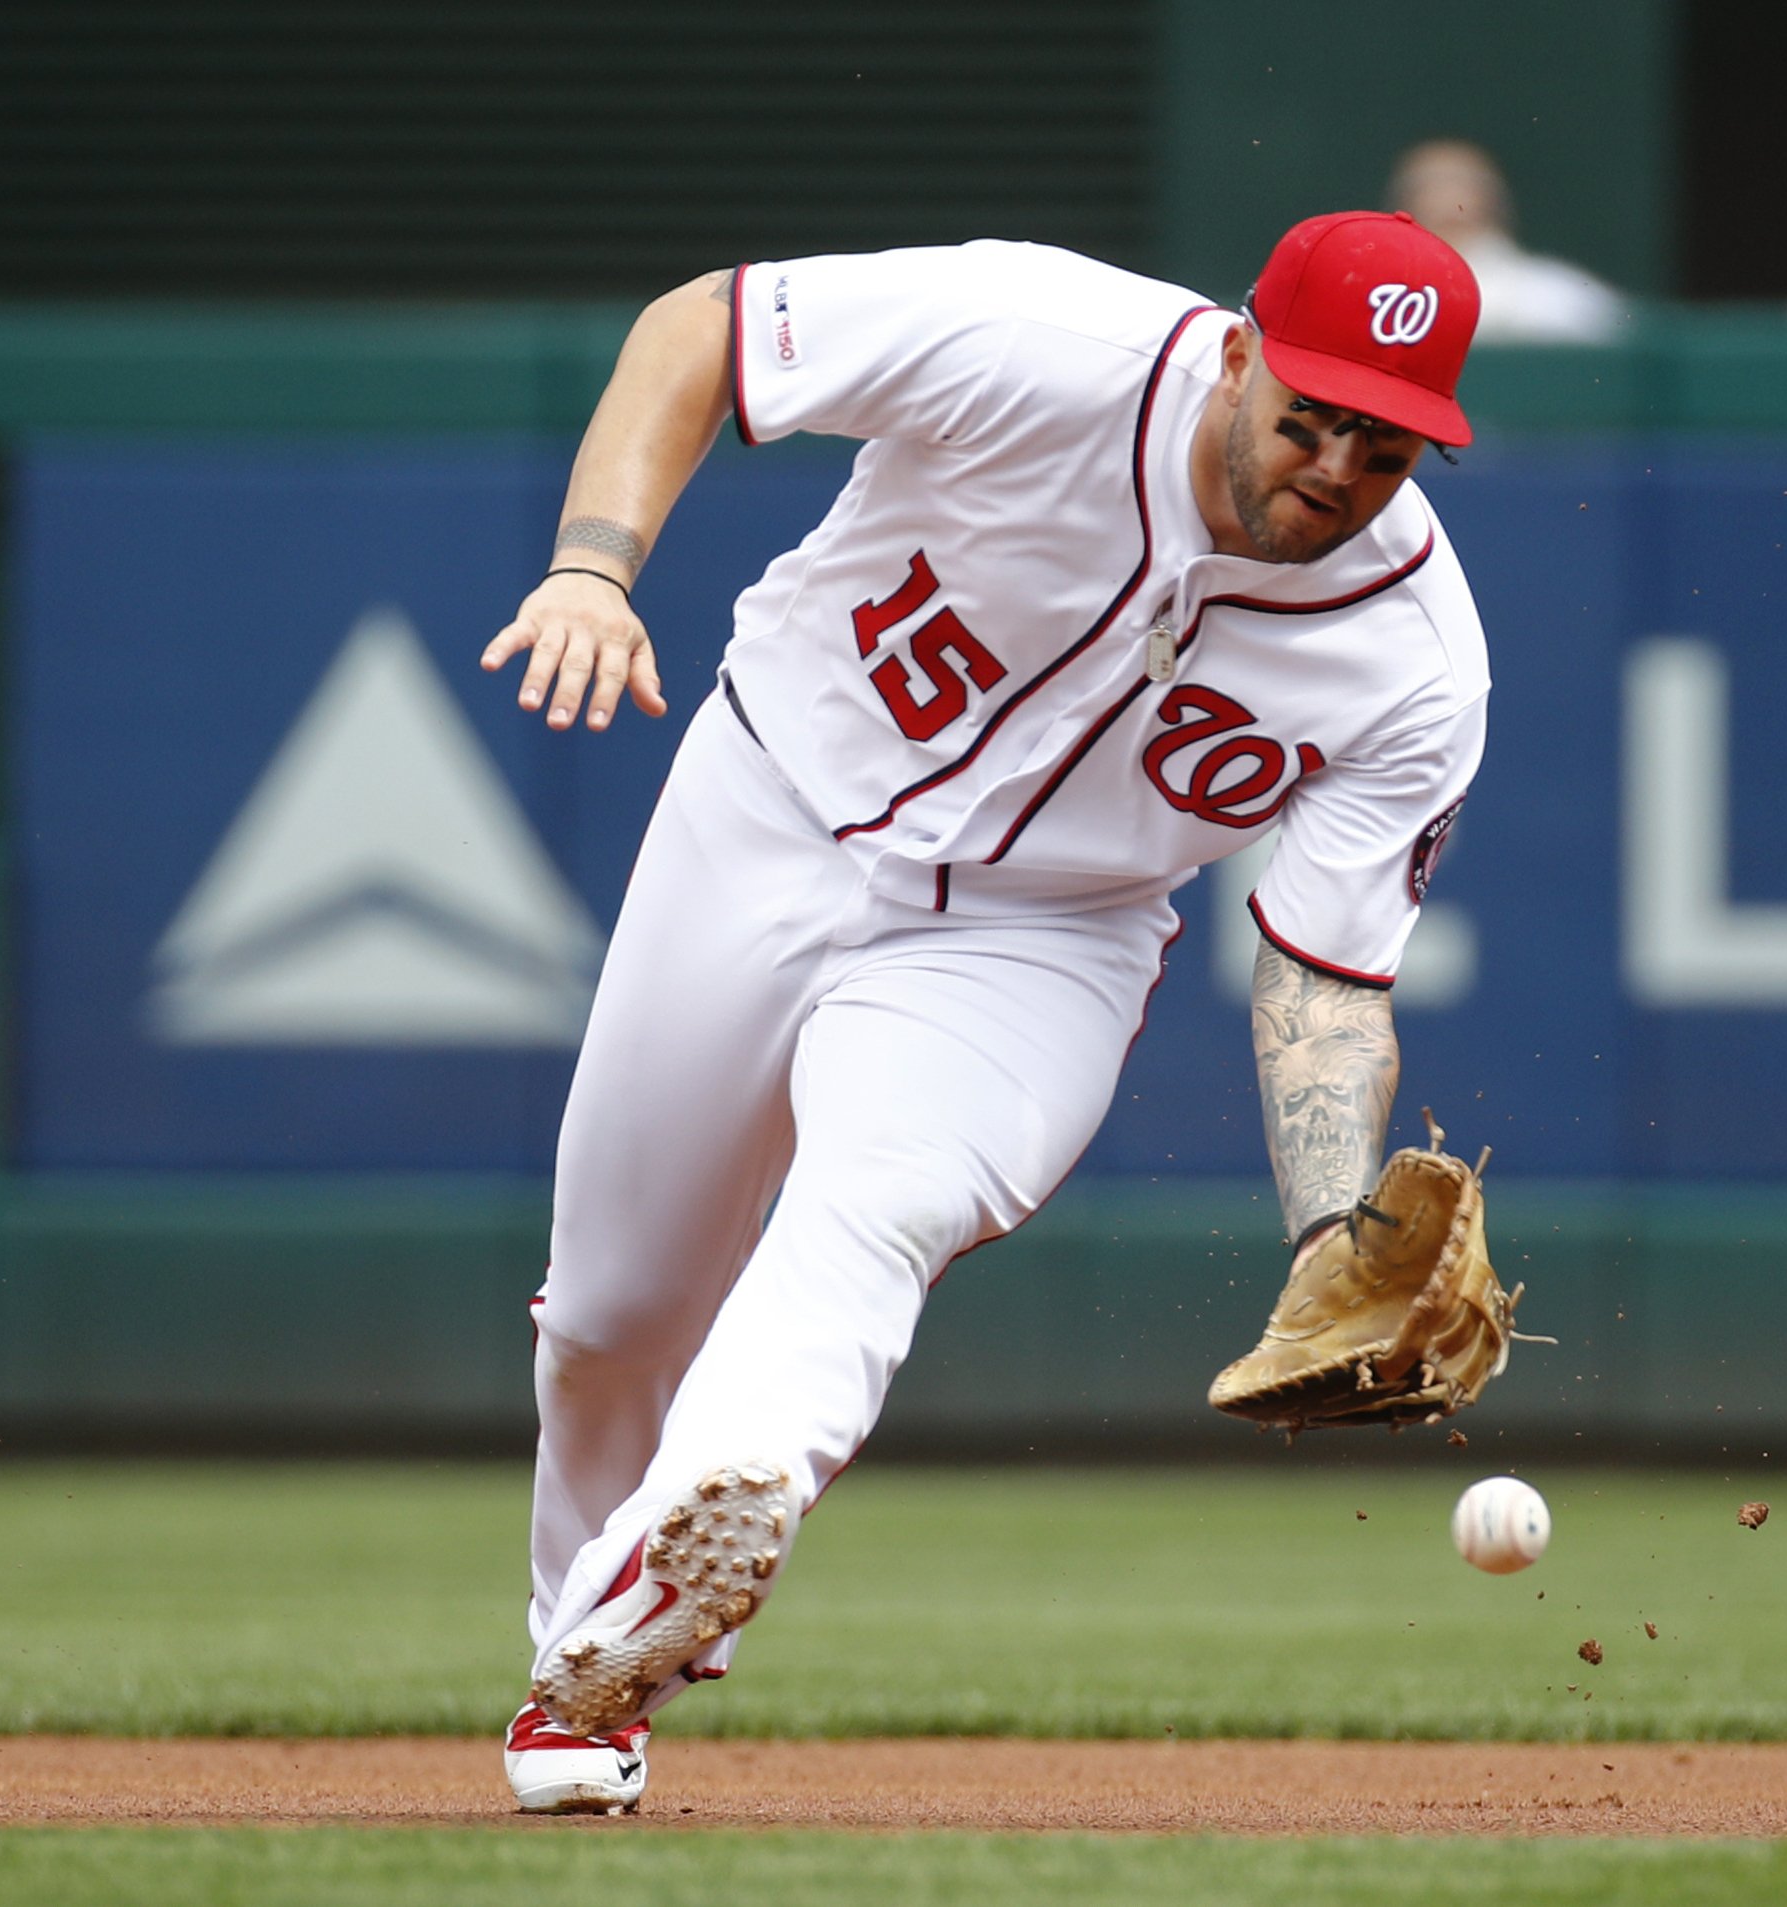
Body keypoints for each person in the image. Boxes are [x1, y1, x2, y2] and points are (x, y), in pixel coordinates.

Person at [480, 211, 1490, 1814]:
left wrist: (1326, 1230)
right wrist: (590, 567)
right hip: (770, 800)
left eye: (1386, 444)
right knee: (612, 1315)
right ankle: (583, 1639)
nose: (1336, 466)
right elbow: (699, 327)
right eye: (1310, 417)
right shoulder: (1043, 337)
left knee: (874, 1207)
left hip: (1038, 937)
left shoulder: (1415, 665)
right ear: (1239, 354)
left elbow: (1323, 971)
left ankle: (695, 1544)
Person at [1390, 138, 1628, 344]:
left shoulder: (1556, 293)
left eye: (1461, 184)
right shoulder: (1382, 292)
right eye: (1428, 187)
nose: (1446, 199)